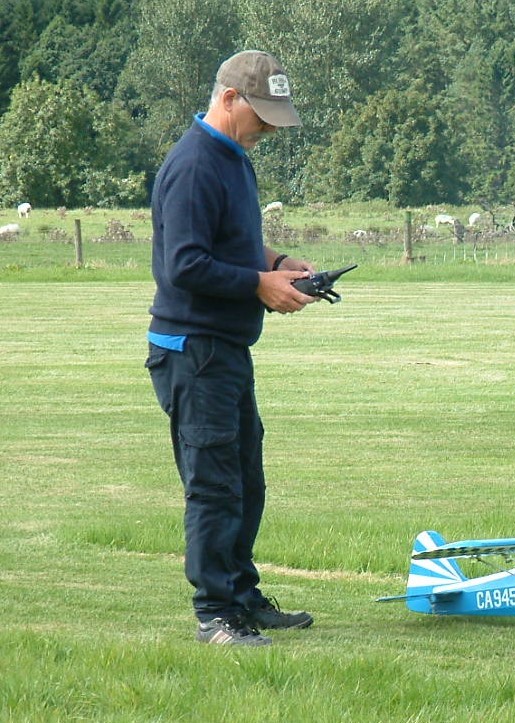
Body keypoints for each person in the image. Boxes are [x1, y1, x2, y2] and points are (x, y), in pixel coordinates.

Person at [146, 50, 317, 646]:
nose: (270, 127)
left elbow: (231, 241)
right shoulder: (194, 164)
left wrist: (276, 263)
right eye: (262, 113)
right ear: (228, 98)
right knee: (215, 484)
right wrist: (258, 285)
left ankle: (243, 598)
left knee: (246, 478)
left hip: (225, 349)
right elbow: (185, 264)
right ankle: (215, 615)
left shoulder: (233, 159)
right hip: (193, 351)